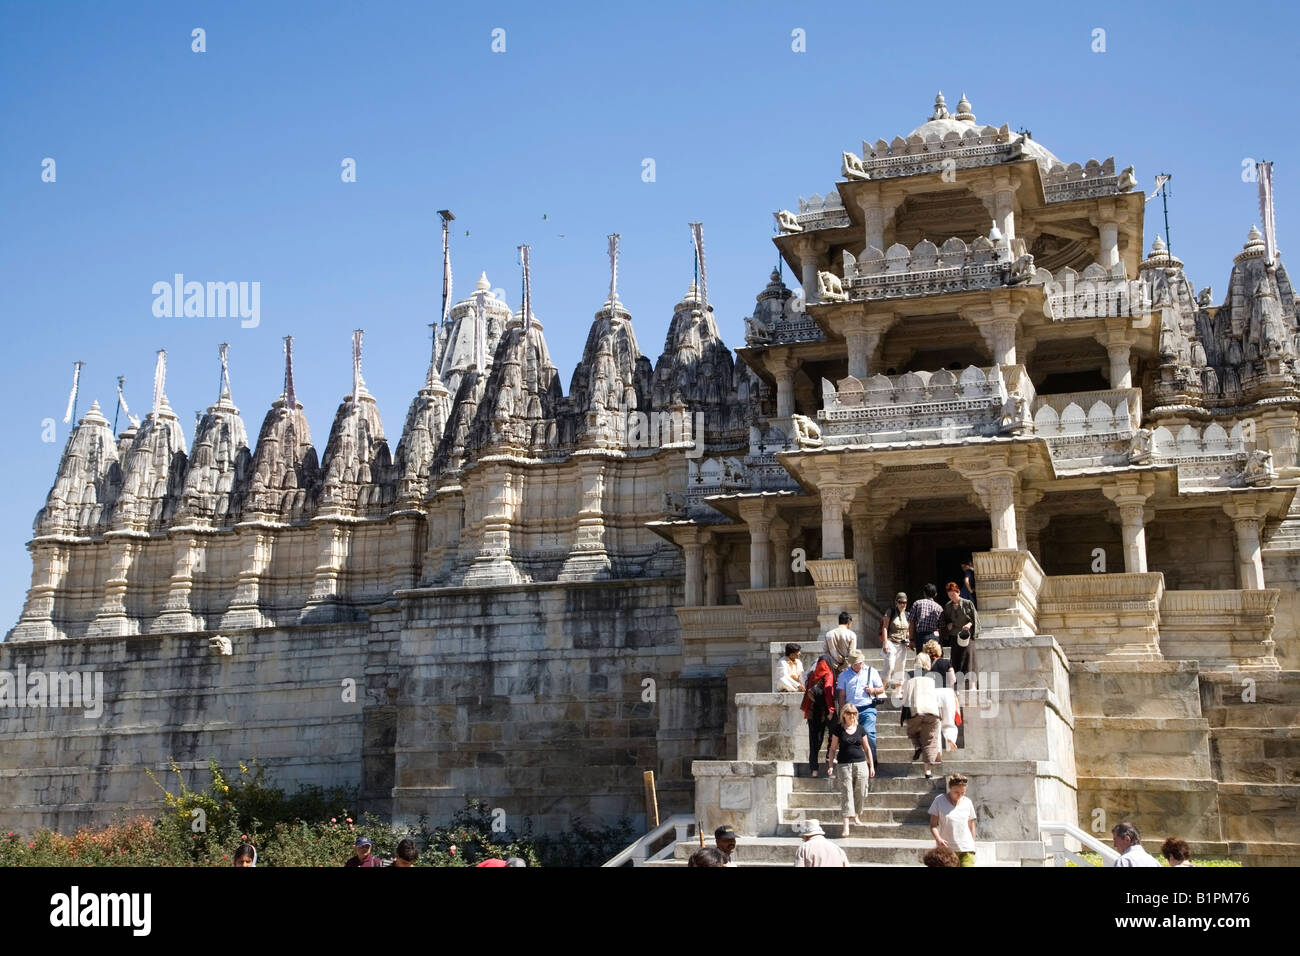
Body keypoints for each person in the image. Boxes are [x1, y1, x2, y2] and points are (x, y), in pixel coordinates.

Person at [826, 703, 875, 833]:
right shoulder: (839, 729)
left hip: (861, 764)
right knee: (846, 793)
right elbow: (832, 749)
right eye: (849, 713)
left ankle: (857, 815)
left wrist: (871, 765)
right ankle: (846, 825)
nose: (852, 716)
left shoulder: (860, 728)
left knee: (860, 791)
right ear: (844, 715)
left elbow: (867, 748)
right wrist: (831, 765)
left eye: (854, 713)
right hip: (844, 765)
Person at [835, 650, 885, 762]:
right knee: (850, 735)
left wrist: (873, 690)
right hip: (851, 709)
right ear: (852, 664)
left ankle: (872, 760)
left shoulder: (872, 671)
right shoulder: (844, 675)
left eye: (861, 663)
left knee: (869, 733)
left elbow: (881, 688)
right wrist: (842, 711)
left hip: (867, 707)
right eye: (857, 663)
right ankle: (851, 758)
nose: (859, 665)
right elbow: (842, 695)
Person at [901, 653, 942, 778]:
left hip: (916, 711)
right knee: (930, 741)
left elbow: (904, 695)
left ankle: (918, 745)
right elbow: (938, 695)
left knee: (912, 732)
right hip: (932, 711)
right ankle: (927, 771)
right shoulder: (934, 676)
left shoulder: (909, 675)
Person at [929, 773, 978, 866]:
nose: (960, 795)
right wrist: (938, 839)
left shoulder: (968, 802)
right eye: (956, 792)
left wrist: (972, 844)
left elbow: (971, 826)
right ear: (950, 788)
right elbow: (933, 826)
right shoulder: (939, 801)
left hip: (966, 848)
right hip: (947, 850)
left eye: (963, 792)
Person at [802, 653, 836, 777]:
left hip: (812, 712)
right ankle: (828, 759)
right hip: (824, 712)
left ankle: (814, 769)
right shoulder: (828, 673)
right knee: (827, 736)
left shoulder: (812, 675)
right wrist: (831, 710)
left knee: (814, 740)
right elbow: (828, 691)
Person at [925, 640, 961, 752]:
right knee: (949, 722)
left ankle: (938, 751)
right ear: (938, 650)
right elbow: (953, 679)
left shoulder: (925, 665)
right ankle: (950, 739)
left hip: (932, 694)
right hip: (946, 693)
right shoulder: (946, 662)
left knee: (935, 724)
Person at [941, 581, 979, 677]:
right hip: (955, 636)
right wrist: (948, 625)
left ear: (958, 592)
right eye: (949, 595)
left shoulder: (967, 603)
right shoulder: (948, 606)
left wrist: (969, 625)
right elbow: (945, 620)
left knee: (969, 659)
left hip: (967, 636)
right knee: (956, 659)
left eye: (953, 594)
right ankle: (957, 682)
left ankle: (971, 683)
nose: (951, 596)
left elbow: (974, 618)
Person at [880, 592, 911, 692]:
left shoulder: (907, 614)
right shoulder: (890, 612)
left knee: (900, 669)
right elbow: (885, 627)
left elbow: (908, 630)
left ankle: (898, 691)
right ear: (896, 602)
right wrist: (885, 643)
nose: (903, 604)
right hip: (891, 642)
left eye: (905, 602)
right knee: (889, 666)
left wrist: (909, 640)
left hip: (902, 645)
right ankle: (881, 689)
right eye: (900, 602)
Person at [907, 584, 945, 652]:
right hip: (934, 636)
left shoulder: (917, 604)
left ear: (924, 593)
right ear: (935, 594)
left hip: (920, 636)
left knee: (921, 660)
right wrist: (940, 642)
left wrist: (911, 639)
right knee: (933, 659)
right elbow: (941, 627)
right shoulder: (939, 607)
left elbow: (911, 622)